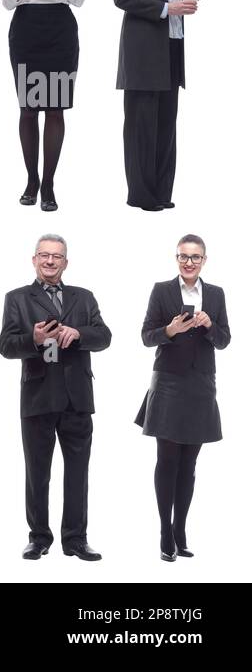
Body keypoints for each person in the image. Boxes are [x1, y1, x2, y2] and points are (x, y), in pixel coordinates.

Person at [0, 234, 111, 561]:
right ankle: (39, 538)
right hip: (38, 395)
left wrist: (79, 334)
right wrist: (33, 339)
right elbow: (6, 346)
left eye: (57, 256)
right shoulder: (17, 298)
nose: (50, 261)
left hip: (77, 398)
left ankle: (76, 539)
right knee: (37, 473)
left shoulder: (84, 297)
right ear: (34, 260)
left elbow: (104, 336)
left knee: (78, 473)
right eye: (44, 255)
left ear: (66, 262)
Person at [112, 0, 220, 212]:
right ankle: (142, 197)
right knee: (142, 126)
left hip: (172, 46)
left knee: (165, 125)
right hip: (143, 50)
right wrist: (167, 8)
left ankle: (160, 194)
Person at [137, 234, 229, 561]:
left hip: (201, 384)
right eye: (183, 257)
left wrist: (209, 325)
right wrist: (170, 331)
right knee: (168, 460)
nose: (189, 262)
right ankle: (164, 530)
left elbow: (225, 340)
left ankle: (180, 529)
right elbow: (147, 335)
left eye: (195, 257)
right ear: (176, 258)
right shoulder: (162, 290)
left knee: (189, 465)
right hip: (168, 384)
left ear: (204, 260)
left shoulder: (215, 294)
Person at [1, 0, 85, 212]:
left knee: (55, 108)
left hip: (60, 29)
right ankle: (31, 179)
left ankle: (49, 183)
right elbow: (7, 1)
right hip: (26, 28)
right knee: (28, 108)